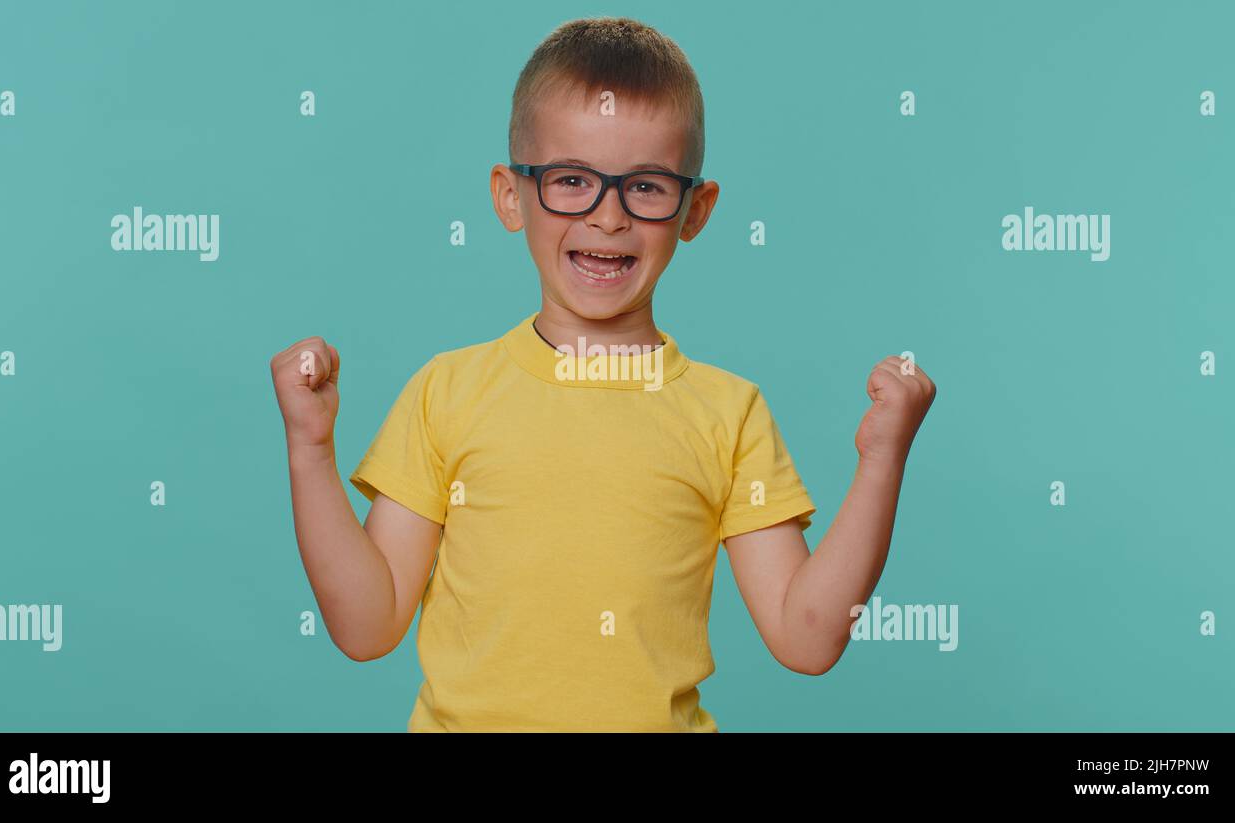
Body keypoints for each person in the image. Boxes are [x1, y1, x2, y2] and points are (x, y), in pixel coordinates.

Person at [269, 16, 936, 732]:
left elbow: (807, 639)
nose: (608, 216)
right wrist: (310, 450)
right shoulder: (446, 392)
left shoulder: (728, 413)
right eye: (571, 180)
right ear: (509, 195)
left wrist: (881, 459)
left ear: (695, 210)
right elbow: (366, 628)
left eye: (645, 186)